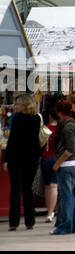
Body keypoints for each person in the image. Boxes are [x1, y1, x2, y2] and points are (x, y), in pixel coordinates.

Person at [3, 93, 42, 230]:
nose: (15, 106)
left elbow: (12, 140)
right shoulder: (36, 118)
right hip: (31, 159)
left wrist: (6, 159)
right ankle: (30, 220)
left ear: (24, 105)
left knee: (15, 189)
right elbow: (37, 140)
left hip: (16, 158)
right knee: (27, 189)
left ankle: (14, 221)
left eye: (18, 104)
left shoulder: (17, 118)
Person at [50, 99, 75, 235]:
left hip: (66, 163)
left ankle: (66, 226)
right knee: (69, 195)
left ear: (60, 112)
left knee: (66, 196)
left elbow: (70, 149)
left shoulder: (68, 126)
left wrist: (57, 163)